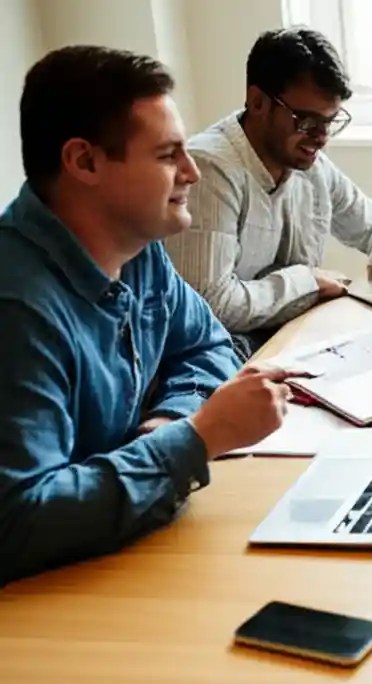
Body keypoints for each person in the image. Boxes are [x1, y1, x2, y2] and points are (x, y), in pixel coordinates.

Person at [0, 46, 299, 585]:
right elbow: (18, 520)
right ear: (84, 162)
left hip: (117, 552)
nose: (192, 173)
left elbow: (208, 347)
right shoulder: (16, 309)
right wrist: (198, 439)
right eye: (167, 156)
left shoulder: (136, 246)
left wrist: (167, 424)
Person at [163, 27, 372, 360]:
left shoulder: (311, 164)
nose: (322, 137)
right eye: (306, 120)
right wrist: (306, 281)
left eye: (331, 121)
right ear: (257, 102)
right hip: (219, 353)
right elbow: (211, 304)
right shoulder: (210, 169)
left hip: (291, 339)